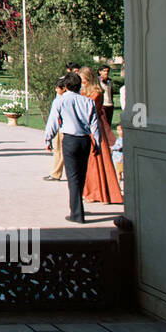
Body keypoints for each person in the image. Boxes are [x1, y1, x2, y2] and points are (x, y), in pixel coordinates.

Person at [43, 71, 102, 223]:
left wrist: (48, 139)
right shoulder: (87, 102)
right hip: (85, 140)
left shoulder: (60, 101)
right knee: (81, 176)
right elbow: (95, 125)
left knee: (73, 177)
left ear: (67, 86)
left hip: (70, 140)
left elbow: (53, 122)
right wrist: (97, 143)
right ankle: (77, 208)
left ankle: (76, 213)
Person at [82, 84, 123, 205]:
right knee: (90, 161)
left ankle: (102, 193)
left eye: (84, 80)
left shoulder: (96, 93)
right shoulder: (84, 92)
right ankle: (92, 191)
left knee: (99, 159)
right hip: (87, 127)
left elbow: (89, 109)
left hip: (94, 126)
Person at [43, 77, 68, 182]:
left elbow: (54, 119)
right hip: (62, 128)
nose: (56, 90)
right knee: (58, 150)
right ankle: (55, 173)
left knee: (61, 151)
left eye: (58, 88)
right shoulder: (59, 99)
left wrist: (48, 138)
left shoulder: (61, 101)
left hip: (64, 128)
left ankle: (56, 173)